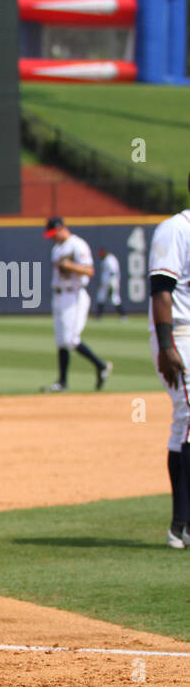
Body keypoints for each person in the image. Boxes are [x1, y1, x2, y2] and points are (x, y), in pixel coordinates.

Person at [148, 175, 190, 548]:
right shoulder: (176, 228)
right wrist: (166, 346)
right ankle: (182, 524)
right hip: (179, 335)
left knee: (183, 425)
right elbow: (161, 290)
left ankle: (181, 524)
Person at [41, 217, 112, 392]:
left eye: (54, 233)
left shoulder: (78, 244)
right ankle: (62, 382)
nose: (52, 237)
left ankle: (101, 366)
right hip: (59, 295)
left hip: (74, 295)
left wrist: (70, 265)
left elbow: (90, 271)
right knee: (61, 341)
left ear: (61, 228)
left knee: (70, 339)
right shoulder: (57, 249)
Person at [93, 248, 124, 320]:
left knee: (114, 298)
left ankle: (123, 315)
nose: (100, 255)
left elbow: (113, 272)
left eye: (101, 254)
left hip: (111, 283)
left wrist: (111, 284)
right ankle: (98, 316)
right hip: (105, 283)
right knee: (101, 297)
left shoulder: (110, 259)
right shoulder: (105, 260)